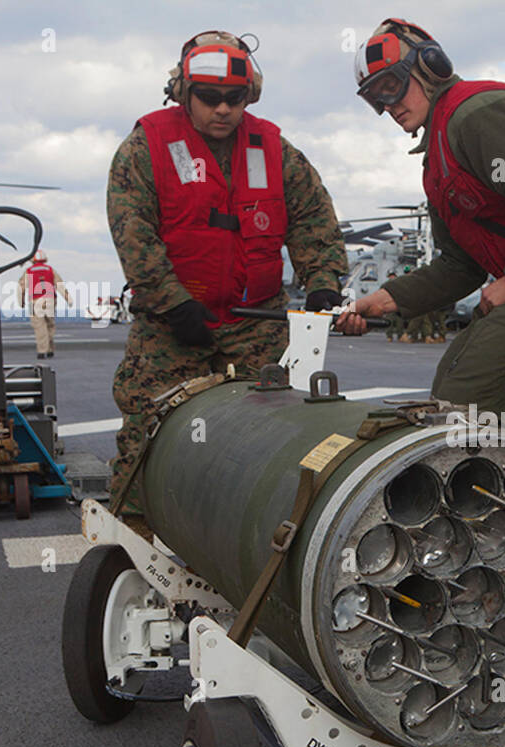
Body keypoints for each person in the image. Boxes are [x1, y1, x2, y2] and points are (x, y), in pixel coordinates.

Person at [106, 29, 346, 519]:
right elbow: (133, 232)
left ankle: (248, 542)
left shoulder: (276, 151)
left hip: (255, 326)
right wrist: (172, 302)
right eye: (210, 99)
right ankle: (131, 544)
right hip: (172, 330)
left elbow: (312, 220)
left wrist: (323, 282)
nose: (222, 110)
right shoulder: (144, 148)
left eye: (233, 100)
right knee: (145, 438)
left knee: (266, 443)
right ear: (183, 93)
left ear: (248, 96)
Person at [334, 19, 505, 413]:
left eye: (392, 86)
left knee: (467, 397)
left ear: (431, 66)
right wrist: (382, 300)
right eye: (375, 98)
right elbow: (460, 267)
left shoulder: (476, 114)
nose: (388, 106)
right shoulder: (438, 160)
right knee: (452, 378)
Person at [18, 249, 71, 358]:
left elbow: (21, 287)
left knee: (39, 326)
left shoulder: (29, 271)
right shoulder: (50, 270)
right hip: (50, 300)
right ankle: (50, 349)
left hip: (35, 301)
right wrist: (68, 299)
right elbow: (60, 285)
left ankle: (42, 351)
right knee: (50, 325)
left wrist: (21, 301)